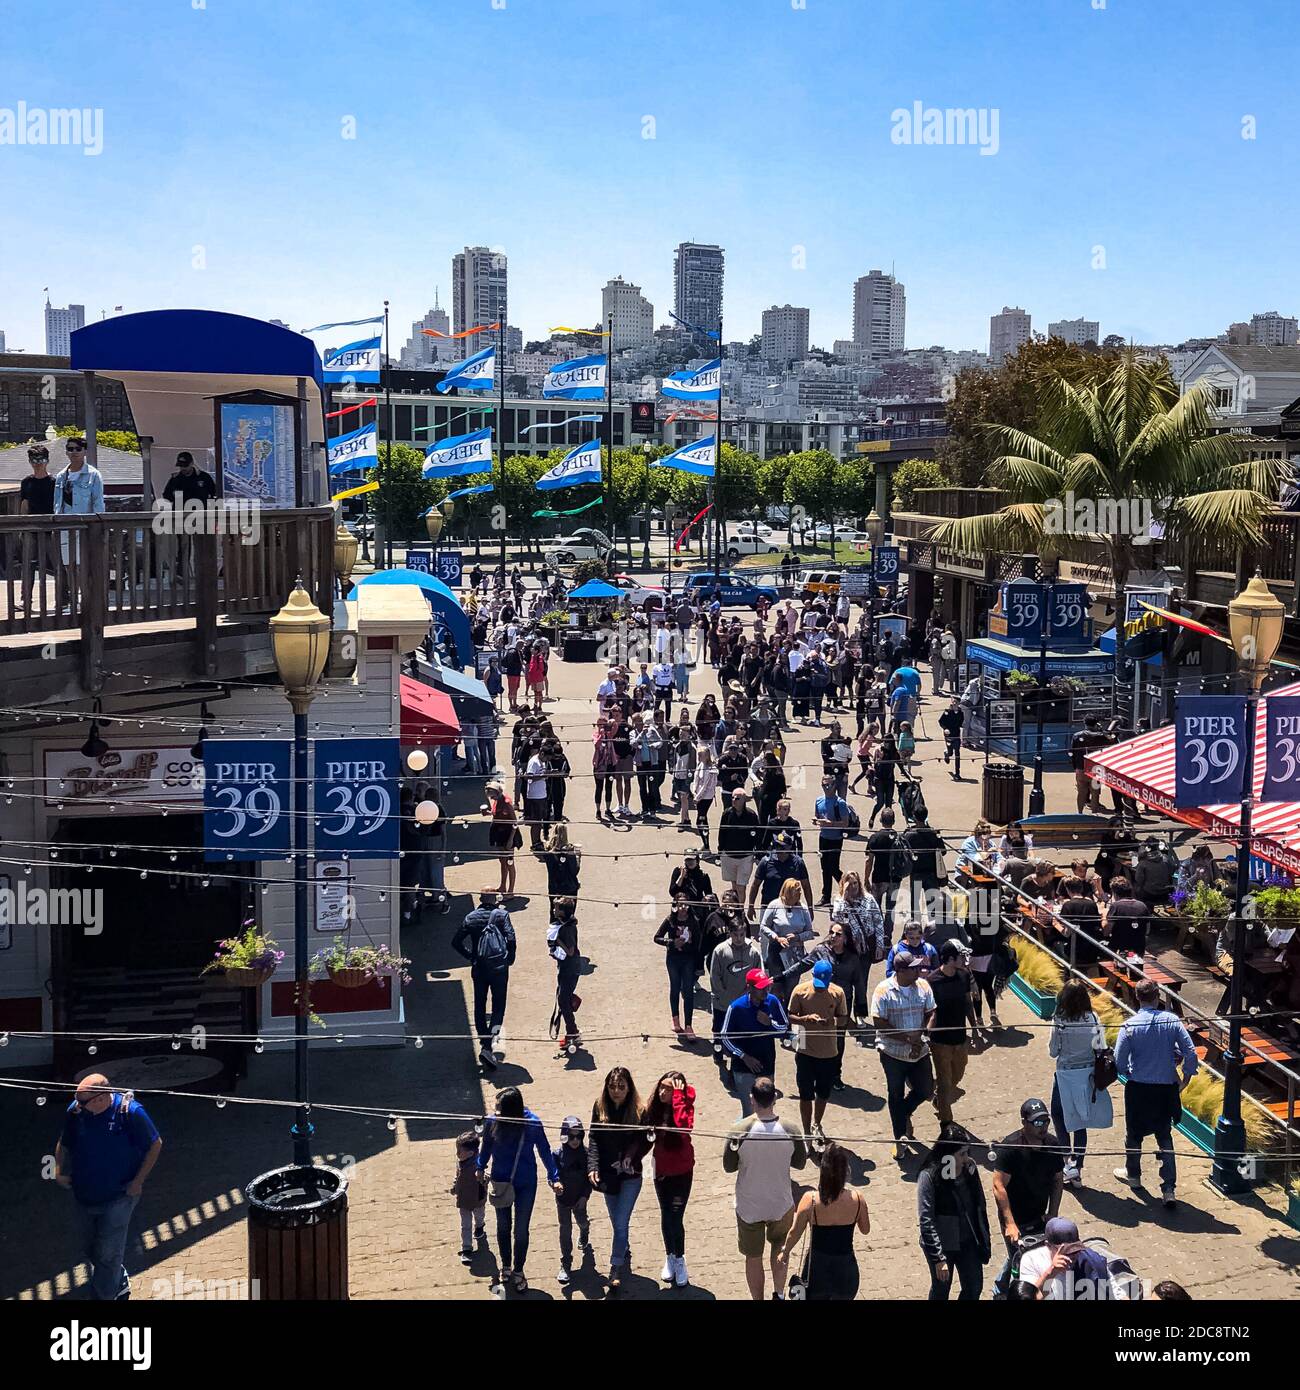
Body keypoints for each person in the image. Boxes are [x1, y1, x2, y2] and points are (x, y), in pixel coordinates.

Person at [55, 1074, 162, 1300]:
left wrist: (138, 1182)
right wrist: (59, 1170)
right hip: (84, 1193)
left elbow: (155, 1144)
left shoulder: (131, 1113)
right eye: (76, 1099)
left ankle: (104, 1296)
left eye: (83, 1101)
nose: (78, 1105)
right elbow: (64, 1141)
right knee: (89, 1247)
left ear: (102, 1098)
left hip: (120, 1196)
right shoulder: (76, 1111)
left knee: (108, 1253)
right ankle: (117, 1278)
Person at [723, 1076, 811, 1300]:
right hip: (780, 1203)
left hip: (749, 1205)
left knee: (753, 1257)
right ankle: (779, 1295)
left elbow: (728, 1166)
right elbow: (800, 1163)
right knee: (781, 1249)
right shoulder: (791, 1129)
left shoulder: (738, 1130)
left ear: (751, 1099)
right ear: (775, 1098)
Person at [1113, 978, 1198, 1208]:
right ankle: (1169, 1188)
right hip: (1165, 1089)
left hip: (1139, 1087)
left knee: (1134, 1135)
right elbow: (1191, 1052)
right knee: (1165, 1137)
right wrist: (1186, 1079)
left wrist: (1130, 1071)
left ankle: (1134, 1175)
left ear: (1137, 997)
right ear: (1157, 995)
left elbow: (1119, 1061)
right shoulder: (1171, 1021)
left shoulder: (1130, 1026)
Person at [476, 1087, 562, 1296]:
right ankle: (506, 1266)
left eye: (499, 1108)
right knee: (503, 1227)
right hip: (500, 1182)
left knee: (521, 1230)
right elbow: (486, 1147)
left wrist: (554, 1177)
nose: (495, 1111)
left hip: (526, 1184)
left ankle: (519, 1270)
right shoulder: (491, 1122)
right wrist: (480, 1166)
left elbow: (544, 1150)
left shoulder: (531, 1123)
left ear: (511, 1111)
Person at [777, 1141, 870, 1301]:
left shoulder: (811, 1200)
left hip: (816, 1272)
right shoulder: (858, 1199)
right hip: (845, 1272)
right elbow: (865, 1229)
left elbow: (795, 1233)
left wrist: (784, 1254)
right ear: (846, 1171)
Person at [991, 1098, 1065, 1297]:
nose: (1043, 1127)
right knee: (1020, 1257)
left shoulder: (1052, 1144)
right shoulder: (1010, 1148)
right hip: (1015, 1215)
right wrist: (1010, 1223)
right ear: (1024, 1123)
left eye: (1046, 1121)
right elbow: (998, 1186)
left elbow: (1057, 1180)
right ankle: (1005, 1290)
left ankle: (1002, 1283)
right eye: (1037, 1123)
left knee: (1032, 1253)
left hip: (1040, 1213)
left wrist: (1053, 1213)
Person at [587, 1068, 651, 1297]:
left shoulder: (640, 1111)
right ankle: (623, 1247)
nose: (616, 1091)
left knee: (621, 1222)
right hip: (608, 1177)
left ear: (629, 1088)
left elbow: (646, 1140)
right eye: (612, 1086)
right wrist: (592, 1166)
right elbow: (593, 1138)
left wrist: (631, 1158)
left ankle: (615, 1268)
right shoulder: (599, 1106)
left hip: (630, 1176)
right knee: (617, 1222)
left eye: (621, 1087)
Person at [871, 949, 936, 1160]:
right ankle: (900, 1138)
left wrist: (924, 1034)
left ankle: (904, 1112)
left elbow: (931, 1011)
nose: (919, 970)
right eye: (914, 968)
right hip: (893, 1054)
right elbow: (879, 1022)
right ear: (900, 971)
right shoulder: (883, 991)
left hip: (920, 1051)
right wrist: (908, 1038)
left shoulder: (923, 986)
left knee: (926, 1088)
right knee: (895, 1094)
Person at [917, 1122, 992, 1301]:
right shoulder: (929, 1176)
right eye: (962, 1154)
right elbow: (926, 1219)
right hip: (943, 1245)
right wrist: (938, 1258)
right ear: (947, 1155)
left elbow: (980, 1205)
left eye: (968, 1152)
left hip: (968, 1242)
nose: (967, 1158)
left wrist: (984, 1239)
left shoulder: (969, 1169)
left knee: (974, 1287)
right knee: (941, 1289)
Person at [1050, 980, 1113, 1187]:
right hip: (1087, 1076)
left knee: (1059, 1115)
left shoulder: (1060, 1020)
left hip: (1065, 1074)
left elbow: (1053, 1051)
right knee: (1080, 1120)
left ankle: (1066, 1161)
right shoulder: (1093, 1018)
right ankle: (1077, 1167)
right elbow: (1101, 1046)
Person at [451, 891, 517, 1069]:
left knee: (480, 1005)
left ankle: (484, 1043)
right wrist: (509, 958)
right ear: (495, 900)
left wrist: (471, 956)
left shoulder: (471, 917)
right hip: (499, 968)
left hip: (479, 968)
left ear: (480, 900)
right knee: (498, 1005)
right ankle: (490, 1043)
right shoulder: (502, 915)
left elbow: (456, 941)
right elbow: (511, 937)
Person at [787, 958, 849, 1140]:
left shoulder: (838, 993)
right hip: (805, 1050)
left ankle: (817, 1123)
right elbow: (790, 1016)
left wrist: (832, 1021)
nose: (821, 987)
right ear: (812, 975)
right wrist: (805, 1019)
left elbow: (844, 1018)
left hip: (829, 1052)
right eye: (818, 983)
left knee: (823, 1092)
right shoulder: (800, 991)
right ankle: (806, 1131)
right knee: (805, 1095)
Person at [646, 1071, 696, 1287]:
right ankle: (670, 1256)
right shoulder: (654, 1109)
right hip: (661, 1171)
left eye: (669, 1088)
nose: (663, 1092)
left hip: (682, 1171)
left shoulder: (686, 1102)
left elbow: (683, 1125)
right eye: (662, 1087)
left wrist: (678, 1097)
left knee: (676, 1217)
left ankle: (680, 1259)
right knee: (666, 1215)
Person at [721, 968, 791, 1116]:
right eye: (761, 988)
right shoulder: (736, 1007)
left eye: (766, 986)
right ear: (749, 988)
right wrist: (744, 1056)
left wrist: (769, 1023)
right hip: (743, 1068)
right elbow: (724, 1036)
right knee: (749, 1111)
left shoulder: (773, 1001)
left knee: (766, 1110)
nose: (765, 990)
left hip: (767, 1064)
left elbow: (784, 1028)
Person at [709, 902, 763, 1080]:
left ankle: (735, 1070)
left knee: (737, 1036)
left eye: (741, 934)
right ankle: (717, 1051)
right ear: (729, 933)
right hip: (722, 1003)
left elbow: (759, 975)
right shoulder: (720, 951)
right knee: (719, 1031)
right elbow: (714, 977)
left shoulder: (753, 952)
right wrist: (724, 996)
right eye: (735, 934)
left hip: (743, 1004)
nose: (739, 938)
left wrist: (750, 997)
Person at [53, 436, 105, 611]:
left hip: (85, 528)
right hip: (65, 528)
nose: (73, 452)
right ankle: (73, 601)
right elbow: (57, 504)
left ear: (84, 451)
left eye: (77, 449)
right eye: (70, 449)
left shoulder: (93, 475)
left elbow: (98, 503)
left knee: (84, 566)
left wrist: (98, 526)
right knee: (69, 567)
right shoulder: (61, 476)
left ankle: (86, 601)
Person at [927, 942, 977, 1125]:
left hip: (960, 1038)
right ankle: (946, 1123)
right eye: (961, 957)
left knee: (959, 1071)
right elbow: (927, 1011)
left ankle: (940, 1100)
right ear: (950, 959)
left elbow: (967, 1003)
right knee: (944, 1081)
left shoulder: (963, 976)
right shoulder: (932, 982)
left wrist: (975, 1028)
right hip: (940, 1042)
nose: (965, 960)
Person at [758, 877, 817, 1000]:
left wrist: (798, 937)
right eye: (797, 891)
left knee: (791, 986)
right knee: (777, 986)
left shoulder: (803, 908)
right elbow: (763, 926)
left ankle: (788, 1012)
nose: (800, 894)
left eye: (800, 891)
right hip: (776, 952)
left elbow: (810, 932)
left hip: (794, 954)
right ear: (788, 892)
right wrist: (777, 938)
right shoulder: (775, 905)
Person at [552, 1116, 592, 1286]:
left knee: (582, 1222)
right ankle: (566, 1262)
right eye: (571, 1136)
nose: (575, 1141)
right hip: (563, 1200)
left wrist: (584, 1196)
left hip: (579, 1199)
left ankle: (585, 1232)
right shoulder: (557, 1154)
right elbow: (552, 1175)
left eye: (579, 1136)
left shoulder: (586, 1153)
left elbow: (589, 1178)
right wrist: (555, 1183)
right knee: (565, 1230)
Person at [655, 894, 701, 1039]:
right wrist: (671, 942)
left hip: (688, 959)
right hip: (673, 959)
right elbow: (657, 937)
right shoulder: (670, 920)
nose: (683, 908)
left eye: (686, 904)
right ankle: (675, 1019)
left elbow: (698, 943)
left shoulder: (694, 921)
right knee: (675, 987)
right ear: (675, 906)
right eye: (680, 905)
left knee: (688, 990)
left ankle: (689, 1025)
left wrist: (698, 964)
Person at [17, 442, 56, 612]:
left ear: (47, 460)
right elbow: (24, 504)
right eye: (34, 459)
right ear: (29, 461)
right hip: (31, 529)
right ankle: (26, 601)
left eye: (41, 459)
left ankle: (64, 598)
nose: (37, 463)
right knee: (27, 565)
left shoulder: (54, 481)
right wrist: (21, 526)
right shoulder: (26, 482)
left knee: (57, 564)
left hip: (51, 530)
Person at [748, 834, 815, 921]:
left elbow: (806, 886)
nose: (779, 849)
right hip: (768, 907)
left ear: (789, 848)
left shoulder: (798, 863)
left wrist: (810, 908)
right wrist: (751, 906)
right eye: (777, 845)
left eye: (782, 847)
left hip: (791, 908)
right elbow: (755, 885)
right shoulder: (766, 861)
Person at [547, 898, 583, 1052]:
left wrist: (557, 941)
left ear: (563, 912)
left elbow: (570, 951)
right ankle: (572, 1031)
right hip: (567, 967)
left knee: (563, 999)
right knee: (564, 997)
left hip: (570, 969)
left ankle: (572, 1031)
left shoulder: (566, 929)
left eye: (556, 909)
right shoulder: (566, 925)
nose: (554, 911)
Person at [865, 806, 909, 930]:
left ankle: (878, 932)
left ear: (880, 820)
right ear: (893, 821)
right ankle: (887, 935)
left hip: (878, 877)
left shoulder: (875, 837)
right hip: (895, 879)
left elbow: (869, 860)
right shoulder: (899, 838)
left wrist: (865, 879)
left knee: (875, 908)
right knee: (891, 909)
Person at [813, 774, 852, 906]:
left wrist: (830, 823)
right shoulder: (819, 800)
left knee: (833, 868)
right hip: (823, 838)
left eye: (828, 785)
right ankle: (826, 897)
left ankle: (850, 888)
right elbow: (818, 815)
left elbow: (845, 823)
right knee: (825, 868)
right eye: (823, 785)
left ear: (834, 786)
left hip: (836, 839)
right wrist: (817, 821)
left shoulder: (840, 803)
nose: (826, 787)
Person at [452, 1130, 488, 1263]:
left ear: (471, 1153)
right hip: (463, 1199)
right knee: (465, 1224)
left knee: (479, 1216)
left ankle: (480, 1226)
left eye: (459, 1151)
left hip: (477, 1198)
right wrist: (455, 1187)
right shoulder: (460, 1162)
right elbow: (458, 1176)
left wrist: (485, 1179)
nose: (457, 1154)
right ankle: (467, 1248)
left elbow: (486, 1176)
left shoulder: (479, 1164)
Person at [718, 787, 762, 894]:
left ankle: (740, 909)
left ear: (744, 800)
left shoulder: (751, 815)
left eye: (737, 798)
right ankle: (735, 907)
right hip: (729, 855)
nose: (734, 800)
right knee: (734, 886)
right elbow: (722, 832)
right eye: (732, 797)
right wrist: (720, 850)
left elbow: (757, 835)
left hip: (745, 856)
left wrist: (757, 851)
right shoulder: (727, 814)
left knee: (741, 886)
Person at [483, 782, 518, 898]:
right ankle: (502, 886)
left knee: (509, 863)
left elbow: (514, 822)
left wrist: (511, 840)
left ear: (498, 793)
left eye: (492, 796)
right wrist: (488, 813)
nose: (491, 798)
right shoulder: (497, 801)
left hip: (508, 834)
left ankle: (510, 891)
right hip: (498, 833)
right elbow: (496, 813)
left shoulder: (507, 803)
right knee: (502, 861)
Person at [539, 824, 581, 917]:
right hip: (569, 887)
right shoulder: (570, 852)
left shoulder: (549, 852)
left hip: (554, 887)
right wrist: (578, 857)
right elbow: (575, 870)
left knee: (554, 912)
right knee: (569, 914)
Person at [1105, 875, 1150, 958]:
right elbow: (1147, 930)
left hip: (1119, 948)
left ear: (1114, 893)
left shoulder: (1116, 906)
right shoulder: (1142, 905)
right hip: (1139, 949)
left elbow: (1107, 931)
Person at [1071, 716, 1109, 812]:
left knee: (1081, 792)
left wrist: (1075, 767)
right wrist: (1101, 730)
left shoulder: (1076, 736)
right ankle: (1094, 813)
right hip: (1095, 769)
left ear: (1085, 723)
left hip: (1080, 768)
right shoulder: (1100, 736)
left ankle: (1079, 812)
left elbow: (1072, 752)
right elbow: (1110, 741)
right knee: (1095, 793)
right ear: (1096, 724)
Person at [939, 699, 965, 779]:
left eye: (956, 703)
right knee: (950, 753)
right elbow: (941, 721)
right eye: (953, 702)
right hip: (949, 734)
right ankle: (947, 754)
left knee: (957, 753)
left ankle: (957, 773)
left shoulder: (961, 713)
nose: (954, 704)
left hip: (956, 734)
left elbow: (961, 722)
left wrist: (963, 726)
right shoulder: (947, 712)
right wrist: (945, 728)